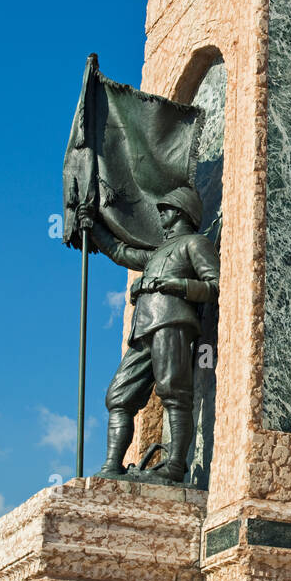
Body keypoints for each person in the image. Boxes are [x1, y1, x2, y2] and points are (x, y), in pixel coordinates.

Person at [81, 185, 220, 483]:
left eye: (165, 209)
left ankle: (174, 466)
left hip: (172, 321)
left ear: (181, 212)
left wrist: (175, 285)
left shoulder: (195, 244)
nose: (160, 215)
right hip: (143, 329)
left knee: (173, 393)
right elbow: (120, 251)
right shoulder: (158, 252)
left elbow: (214, 286)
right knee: (118, 396)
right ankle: (112, 466)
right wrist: (92, 227)